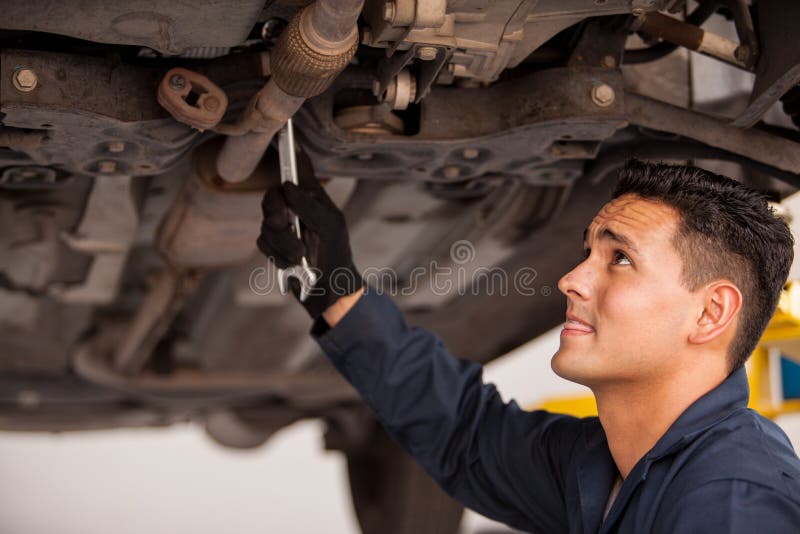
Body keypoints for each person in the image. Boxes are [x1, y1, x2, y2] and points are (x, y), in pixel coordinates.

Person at [258, 159, 800, 532]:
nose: (572, 279)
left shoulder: (732, 500)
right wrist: (334, 284)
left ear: (711, 313)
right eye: (587, 251)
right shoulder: (609, 462)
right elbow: (467, 434)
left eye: (621, 259)